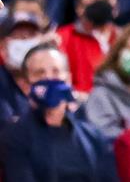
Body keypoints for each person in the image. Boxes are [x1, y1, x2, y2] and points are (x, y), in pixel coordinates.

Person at [2, 42, 117, 182]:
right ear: (27, 85)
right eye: (39, 73)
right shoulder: (14, 136)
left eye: (56, 71)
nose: (48, 78)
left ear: (68, 79)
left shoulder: (93, 137)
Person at [55, 0, 119, 95]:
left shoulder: (126, 40)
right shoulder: (62, 38)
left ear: (117, 6)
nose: (101, 2)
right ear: (79, 7)